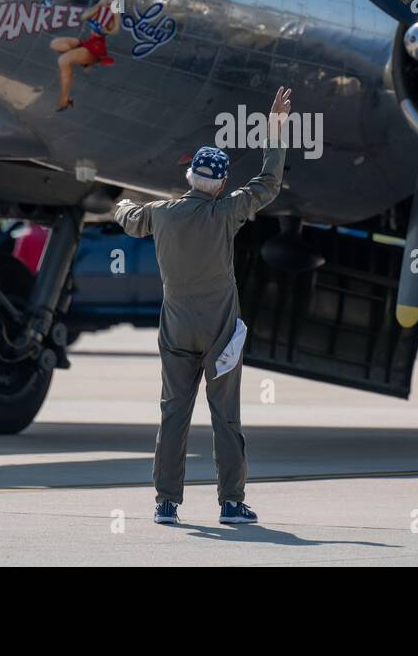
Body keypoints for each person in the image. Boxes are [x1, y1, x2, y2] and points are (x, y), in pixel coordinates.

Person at [114, 87, 292, 525]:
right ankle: (231, 503)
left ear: (190, 176)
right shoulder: (226, 212)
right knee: (225, 417)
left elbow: (128, 217)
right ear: (222, 184)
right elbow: (268, 185)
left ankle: (166, 503)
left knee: (173, 414)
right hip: (220, 335)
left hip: (176, 332)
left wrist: (118, 201)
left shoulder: (161, 214)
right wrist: (274, 133)